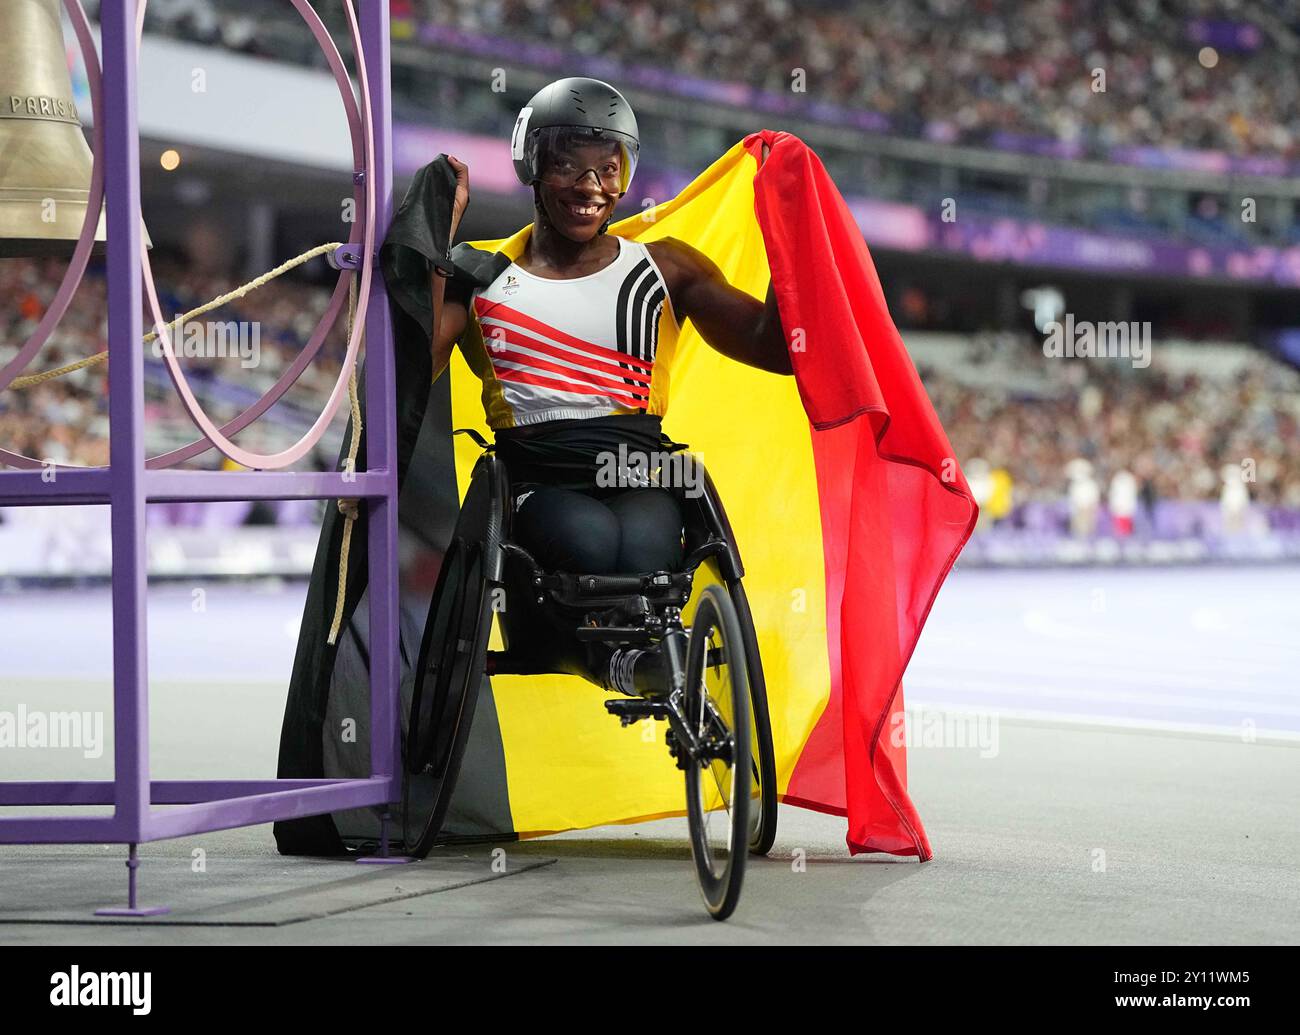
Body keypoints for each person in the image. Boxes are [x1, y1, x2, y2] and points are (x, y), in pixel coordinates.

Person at [430, 77, 792, 691]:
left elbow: (773, 347)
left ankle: (635, 658)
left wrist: (793, 244)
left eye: (609, 169)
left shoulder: (664, 267)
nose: (592, 188)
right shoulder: (480, 275)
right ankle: (615, 661)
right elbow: (411, 367)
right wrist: (432, 245)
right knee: (592, 541)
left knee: (650, 547)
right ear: (532, 167)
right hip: (537, 480)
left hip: (635, 471)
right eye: (569, 167)